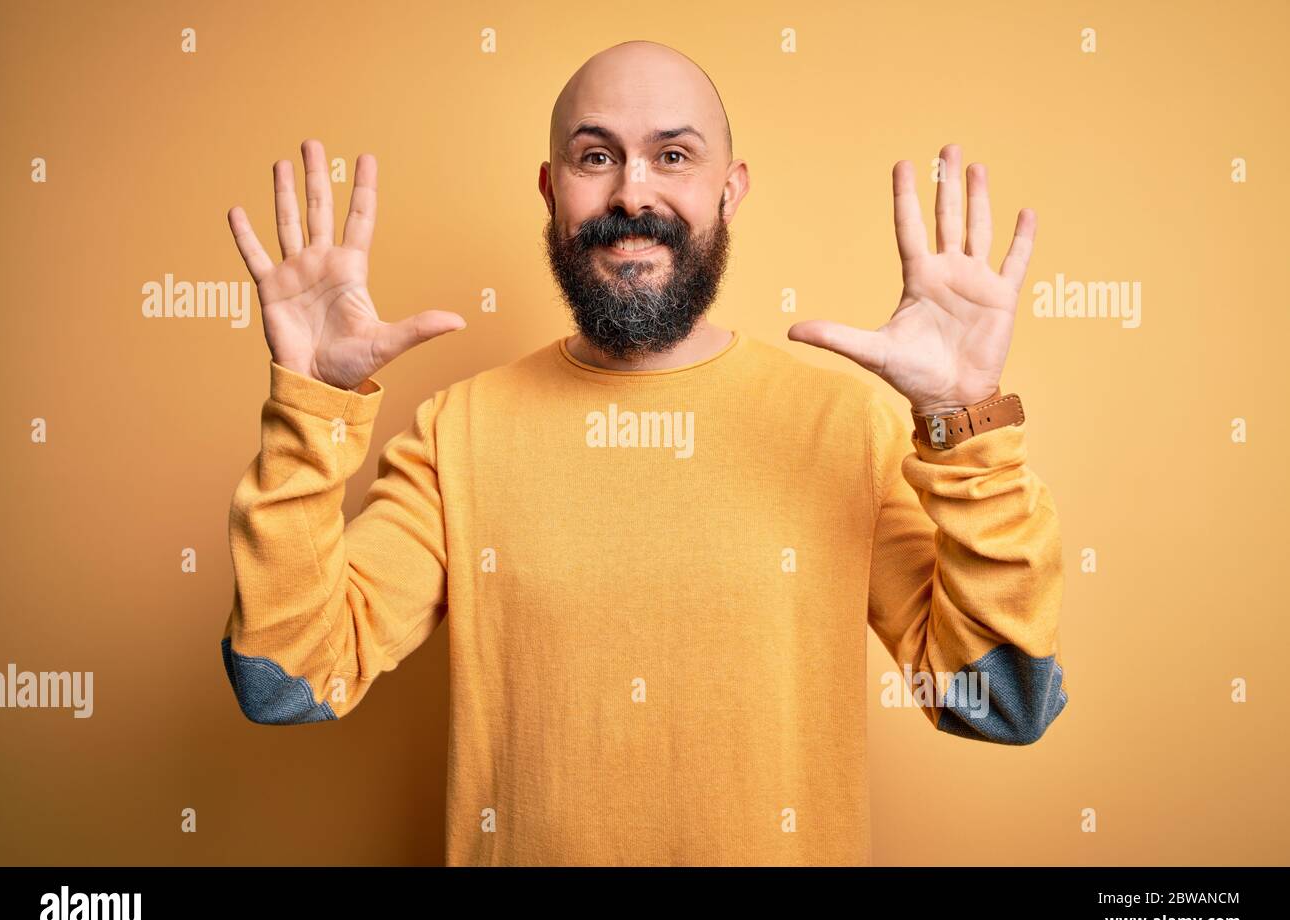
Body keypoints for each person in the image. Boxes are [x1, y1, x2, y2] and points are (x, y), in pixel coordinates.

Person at [220, 39, 1068, 866]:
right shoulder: (457, 433)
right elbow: (288, 680)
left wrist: (965, 419)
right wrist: (311, 409)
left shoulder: (844, 426)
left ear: (730, 191)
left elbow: (1001, 703)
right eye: (597, 157)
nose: (633, 193)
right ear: (552, 191)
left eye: (672, 155)